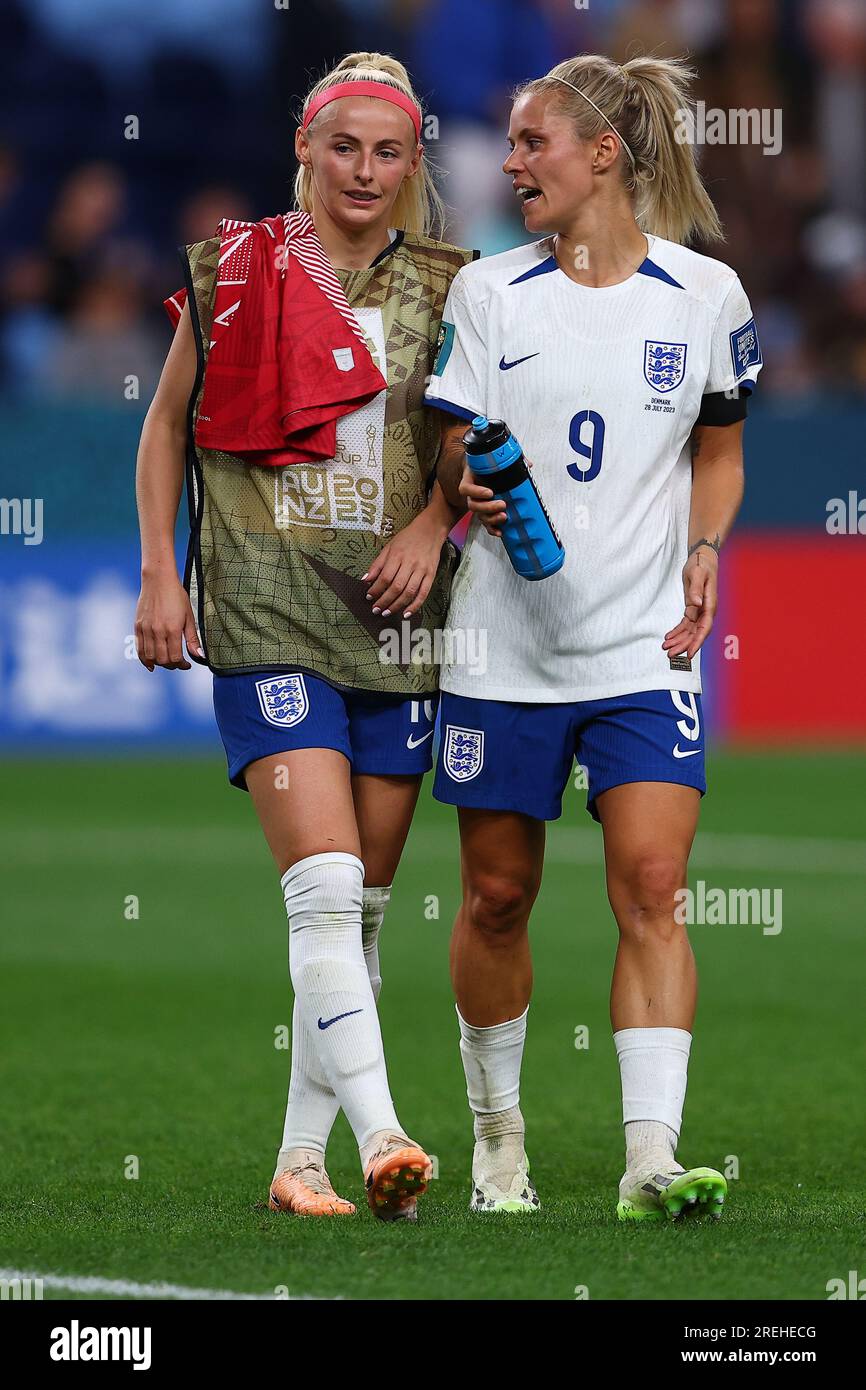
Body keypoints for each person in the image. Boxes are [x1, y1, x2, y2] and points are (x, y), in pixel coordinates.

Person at [134, 52, 473, 1222]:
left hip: (395, 620)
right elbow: (167, 424)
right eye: (343, 147)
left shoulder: (451, 284)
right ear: (303, 151)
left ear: (412, 159)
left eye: (388, 152)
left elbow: (465, 447)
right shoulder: (236, 269)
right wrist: (158, 578)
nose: (364, 171)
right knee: (324, 891)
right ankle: (384, 1133)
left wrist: (435, 523)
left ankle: (296, 1163)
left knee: (361, 914)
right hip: (264, 604)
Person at [425, 53, 762, 1220]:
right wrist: (464, 487)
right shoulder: (489, 293)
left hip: (642, 646)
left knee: (655, 888)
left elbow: (716, 445)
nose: (510, 163)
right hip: (502, 647)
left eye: (532, 143)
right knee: (497, 897)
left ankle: (647, 1158)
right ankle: (496, 1140)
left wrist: (706, 545)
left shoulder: (705, 297)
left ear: (602, 154)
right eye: (511, 144)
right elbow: (454, 445)